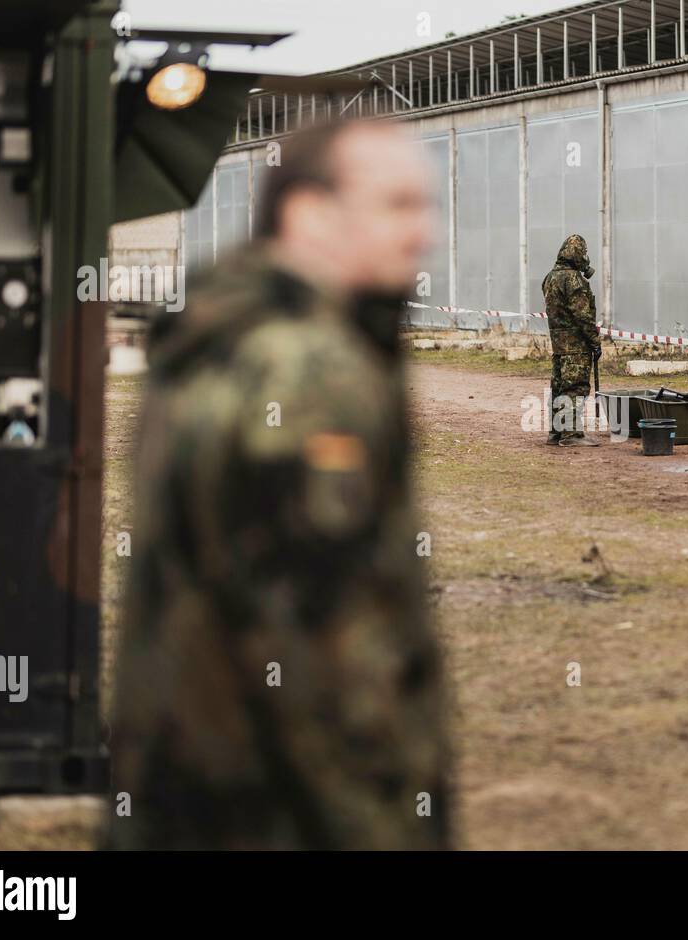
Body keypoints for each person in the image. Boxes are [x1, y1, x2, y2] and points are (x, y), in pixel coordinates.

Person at [107, 119, 451, 849]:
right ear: (309, 214)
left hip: (183, 795)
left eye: (426, 206)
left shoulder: (217, 338)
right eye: (397, 205)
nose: (424, 232)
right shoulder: (308, 371)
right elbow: (325, 652)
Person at [542, 233, 601, 447]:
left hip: (558, 345)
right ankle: (572, 435)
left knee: (559, 387)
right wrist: (594, 341)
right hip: (576, 346)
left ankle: (556, 432)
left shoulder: (550, 277)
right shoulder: (573, 279)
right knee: (575, 388)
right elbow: (582, 315)